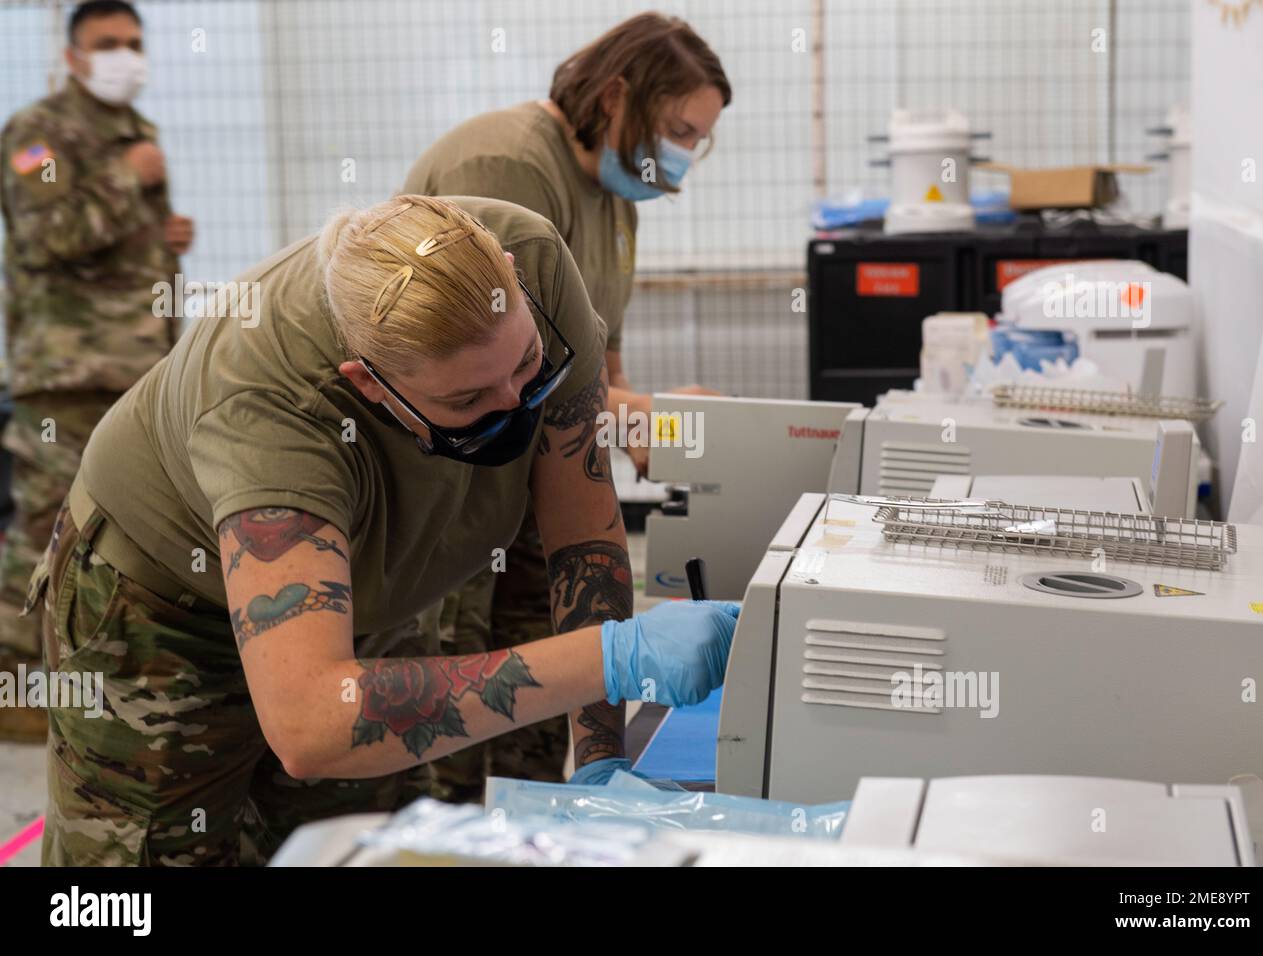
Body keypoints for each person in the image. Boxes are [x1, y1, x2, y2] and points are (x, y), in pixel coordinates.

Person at [30, 194, 737, 865]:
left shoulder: (530, 259)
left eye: (527, 367)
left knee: (346, 838)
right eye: (467, 400)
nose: (515, 405)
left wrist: (603, 755)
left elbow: (580, 532)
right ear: (367, 385)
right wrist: (612, 656)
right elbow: (312, 725)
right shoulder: (271, 409)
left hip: (363, 583)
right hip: (168, 604)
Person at [402, 12, 730, 797]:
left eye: (700, 138)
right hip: (452, 484)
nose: (686, 153)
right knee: (453, 701)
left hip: (526, 485)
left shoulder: (616, 203)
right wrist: (623, 408)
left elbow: (595, 368)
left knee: (542, 690)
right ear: (617, 99)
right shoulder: (507, 164)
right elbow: (493, 364)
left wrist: (651, 414)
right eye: (679, 128)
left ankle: (530, 826)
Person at [0, 0, 192, 742]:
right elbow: (47, 235)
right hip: (68, 369)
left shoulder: (133, 131)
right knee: (45, 521)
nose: (125, 56)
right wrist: (124, 178)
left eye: (135, 43)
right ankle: (14, 684)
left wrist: (164, 235)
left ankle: (101, 672)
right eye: (107, 44)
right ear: (73, 56)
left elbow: (110, 243)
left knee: (112, 523)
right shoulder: (37, 134)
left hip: (134, 367)